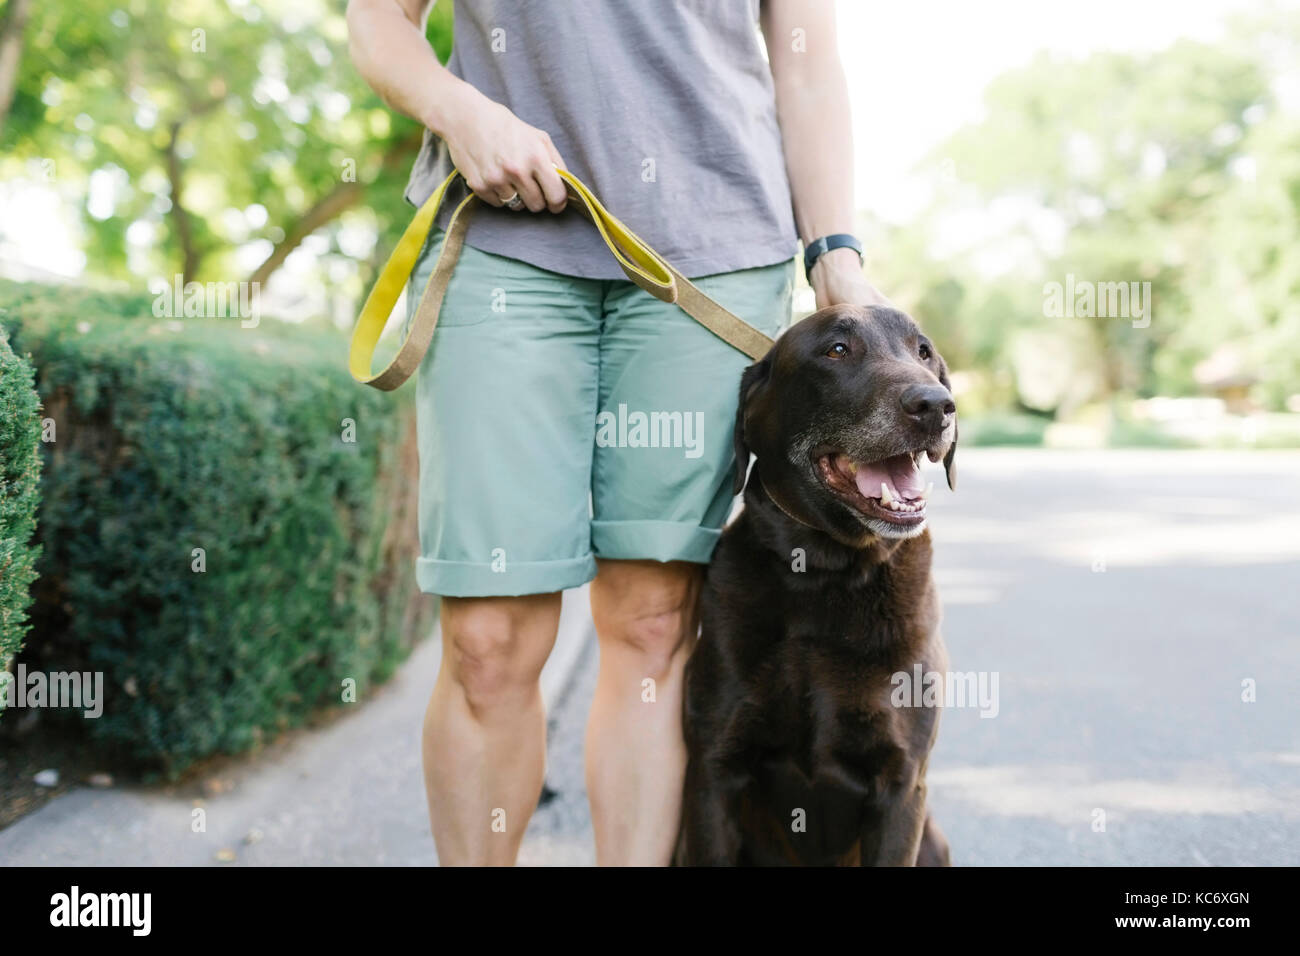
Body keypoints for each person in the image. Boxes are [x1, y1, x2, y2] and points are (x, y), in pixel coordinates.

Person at [347, 0, 887, 865]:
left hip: (713, 254)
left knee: (650, 623)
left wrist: (836, 252)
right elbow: (377, 22)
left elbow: (806, 59)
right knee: (487, 641)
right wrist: (463, 111)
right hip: (500, 243)